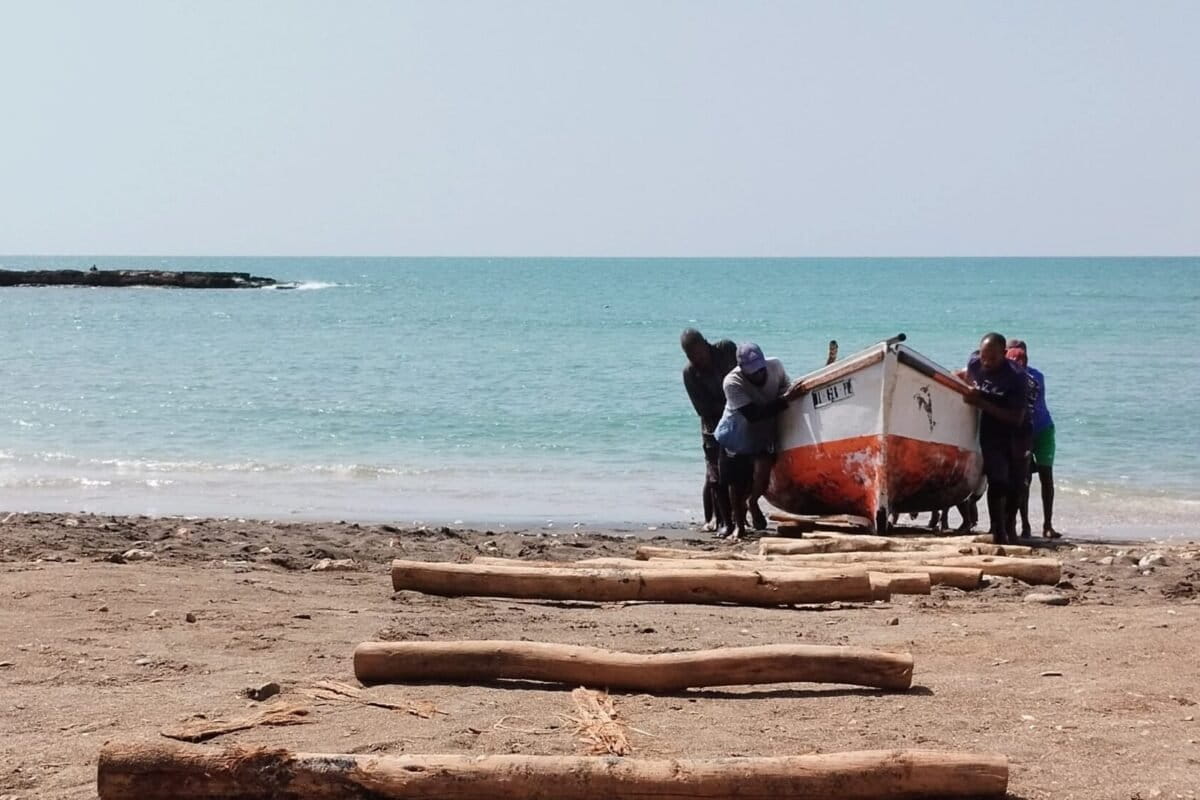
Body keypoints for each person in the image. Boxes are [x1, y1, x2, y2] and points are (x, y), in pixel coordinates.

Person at [715, 343, 794, 539]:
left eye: (760, 370)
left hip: (762, 432)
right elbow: (753, 414)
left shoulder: (775, 365)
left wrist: (789, 397)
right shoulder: (732, 382)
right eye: (752, 372)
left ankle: (753, 502)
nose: (758, 375)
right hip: (736, 434)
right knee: (735, 482)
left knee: (763, 474)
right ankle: (739, 526)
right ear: (742, 369)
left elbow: (786, 387)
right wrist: (784, 401)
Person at [958, 332, 1028, 544]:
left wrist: (980, 403)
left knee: (1016, 484)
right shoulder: (975, 362)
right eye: (984, 357)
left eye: (993, 359)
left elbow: (1017, 418)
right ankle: (998, 533)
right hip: (991, 429)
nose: (986, 363)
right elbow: (967, 375)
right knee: (997, 481)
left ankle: (1010, 526)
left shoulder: (1016, 377)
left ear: (1004, 354)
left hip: (1017, 429)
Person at [681, 329, 737, 532]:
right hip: (712, 424)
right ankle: (716, 519)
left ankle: (733, 516)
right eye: (691, 356)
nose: (698, 359)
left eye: (699, 353)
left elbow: (743, 376)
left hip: (737, 415)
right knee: (714, 473)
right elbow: (702, 409)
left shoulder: (726, 349)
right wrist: (729, 405)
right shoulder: (690, 373)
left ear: (706, 343)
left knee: (738, 470)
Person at [1007, 340, 1060, 538]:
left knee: (1046, 477)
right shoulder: (1007, 376)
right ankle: (1025, 525)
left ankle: (1047, 524)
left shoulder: (1035, 376)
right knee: (1024, 479)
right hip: (1023, 431)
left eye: (1022, 354)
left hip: (1042, 428)